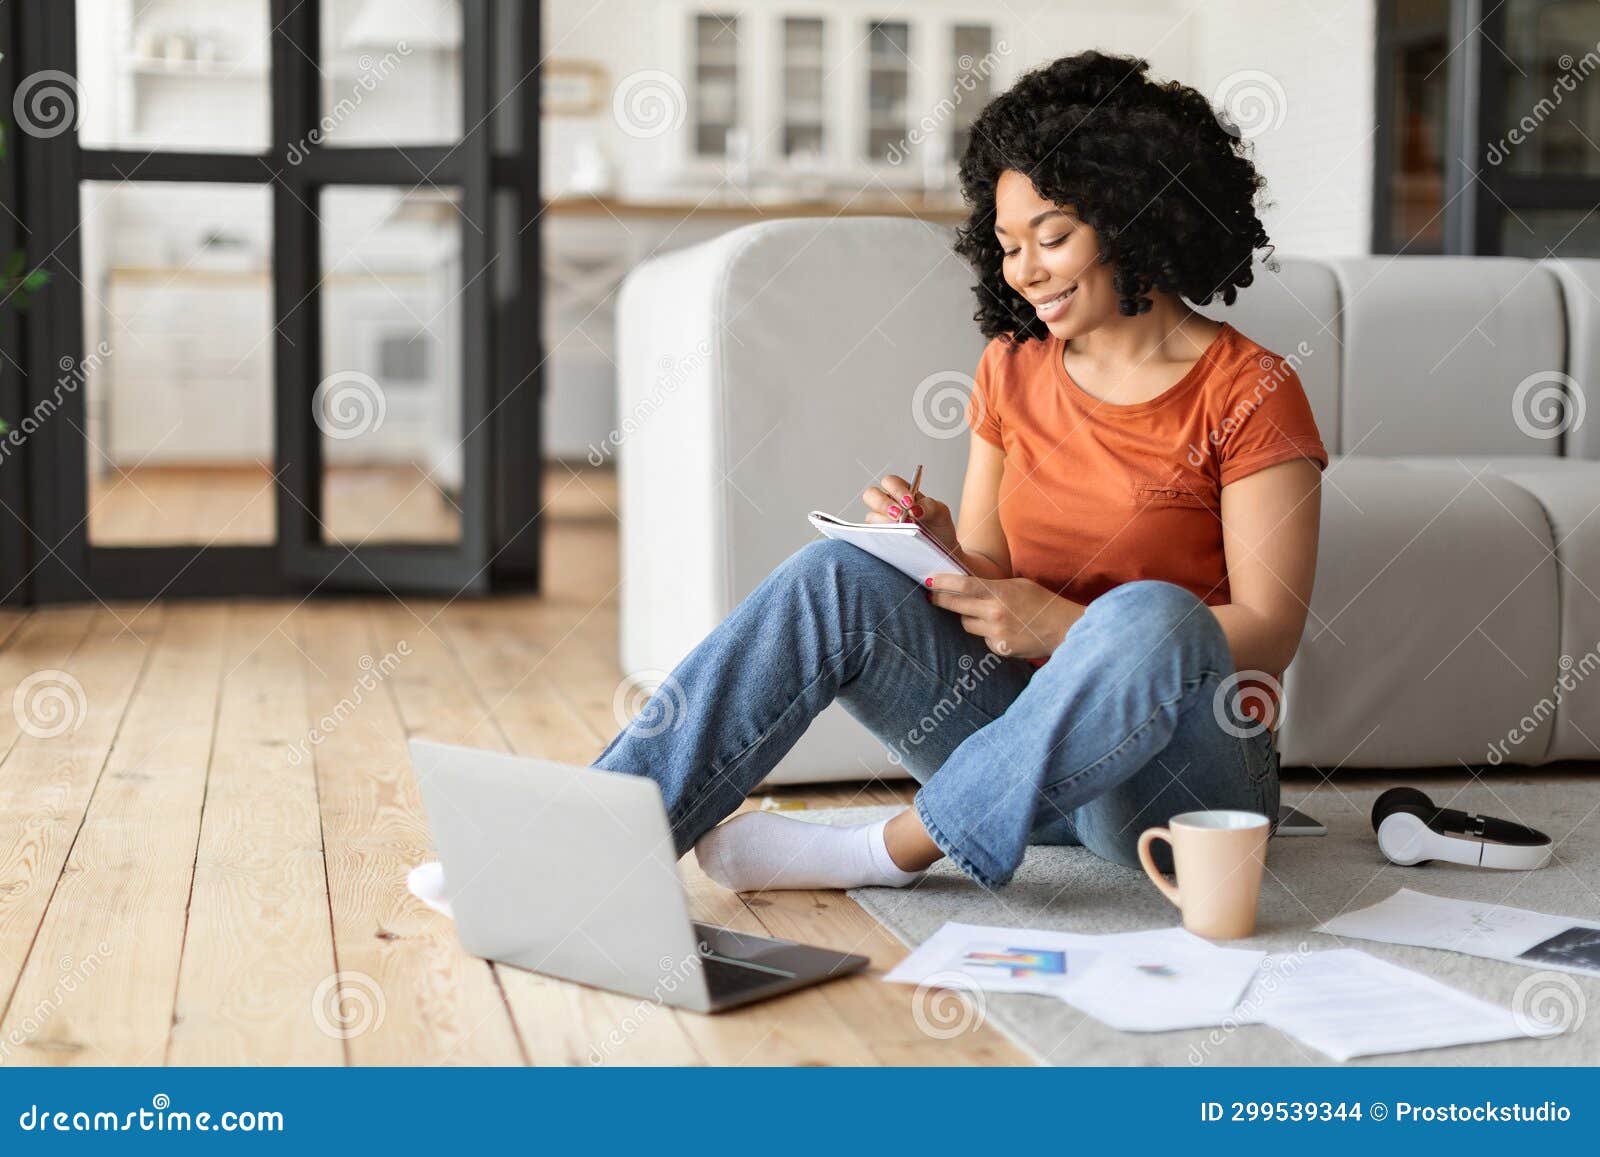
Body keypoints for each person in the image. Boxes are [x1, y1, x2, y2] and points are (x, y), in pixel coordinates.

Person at [592, 51, 1328, 892]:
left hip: (1174, 794)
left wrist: (1063, 625)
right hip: (1029, 774)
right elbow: (993, 581)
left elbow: (1270, 629)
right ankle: (600, 835)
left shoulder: (1251, 389)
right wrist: (940, 551)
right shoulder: (1011, 367)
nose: (1024, 271)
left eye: (1052, 238)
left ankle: (887, 851)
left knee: (1154, 616)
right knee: (840, 572)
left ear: (1138, 216)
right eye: (1010, 245)